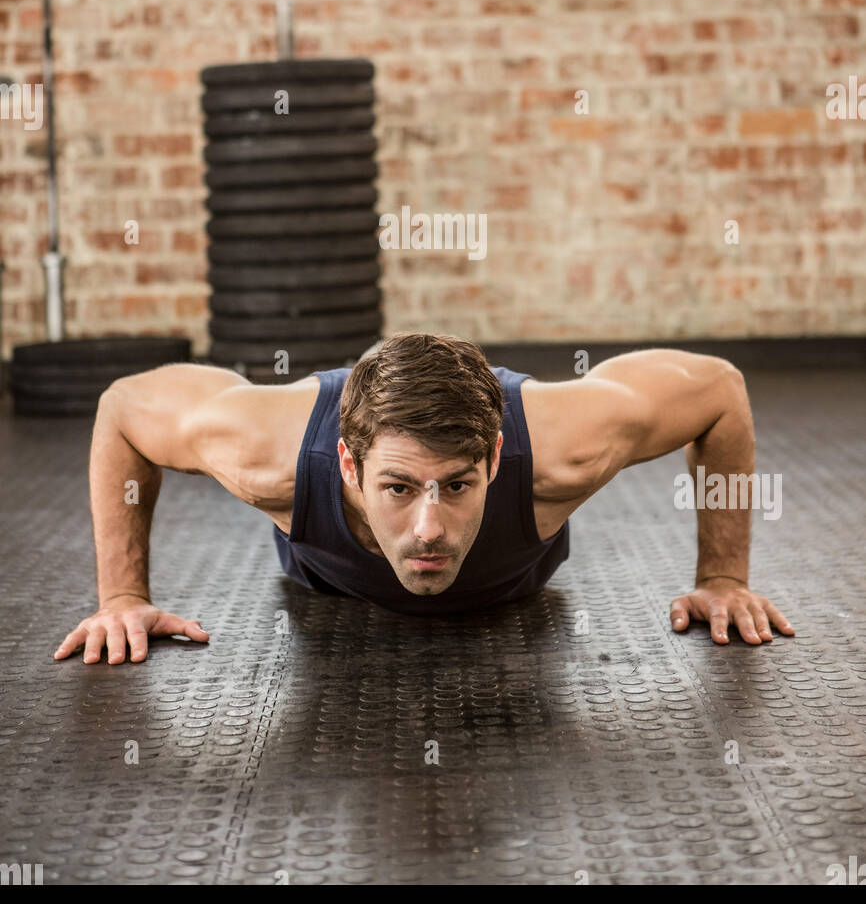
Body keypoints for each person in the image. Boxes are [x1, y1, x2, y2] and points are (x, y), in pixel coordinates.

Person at [54, 331, 794, 665]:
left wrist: (723, 577)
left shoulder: (565, 447)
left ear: (496, 457)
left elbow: (719, 391)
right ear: (347, 465)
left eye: (459, 486)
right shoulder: (267, 454)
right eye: (398, 489)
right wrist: (122, 595)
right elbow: (124, 408)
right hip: (323, 576)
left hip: (515, 584)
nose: (429, 527)